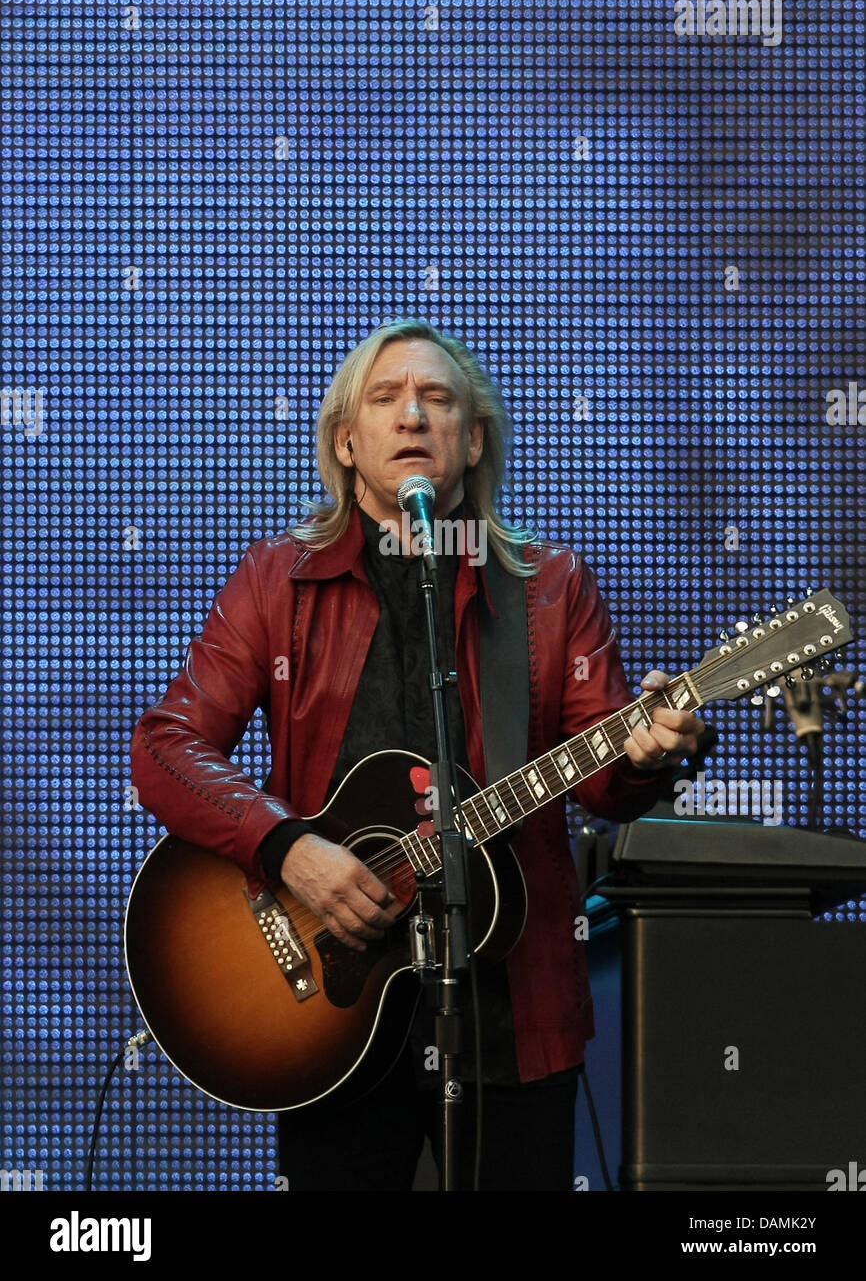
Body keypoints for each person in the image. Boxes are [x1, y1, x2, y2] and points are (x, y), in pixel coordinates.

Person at [131, 317, 705, 1191]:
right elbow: (168, 747)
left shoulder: (548, 589)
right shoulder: (275, 579)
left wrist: (652, 752)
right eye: (387, 399)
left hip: (512, 1011)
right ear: (346, 443)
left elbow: (604, 782)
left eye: (438, 400)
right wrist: (289, 851)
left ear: (473, 442)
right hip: (331, 1011)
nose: (412, 417)